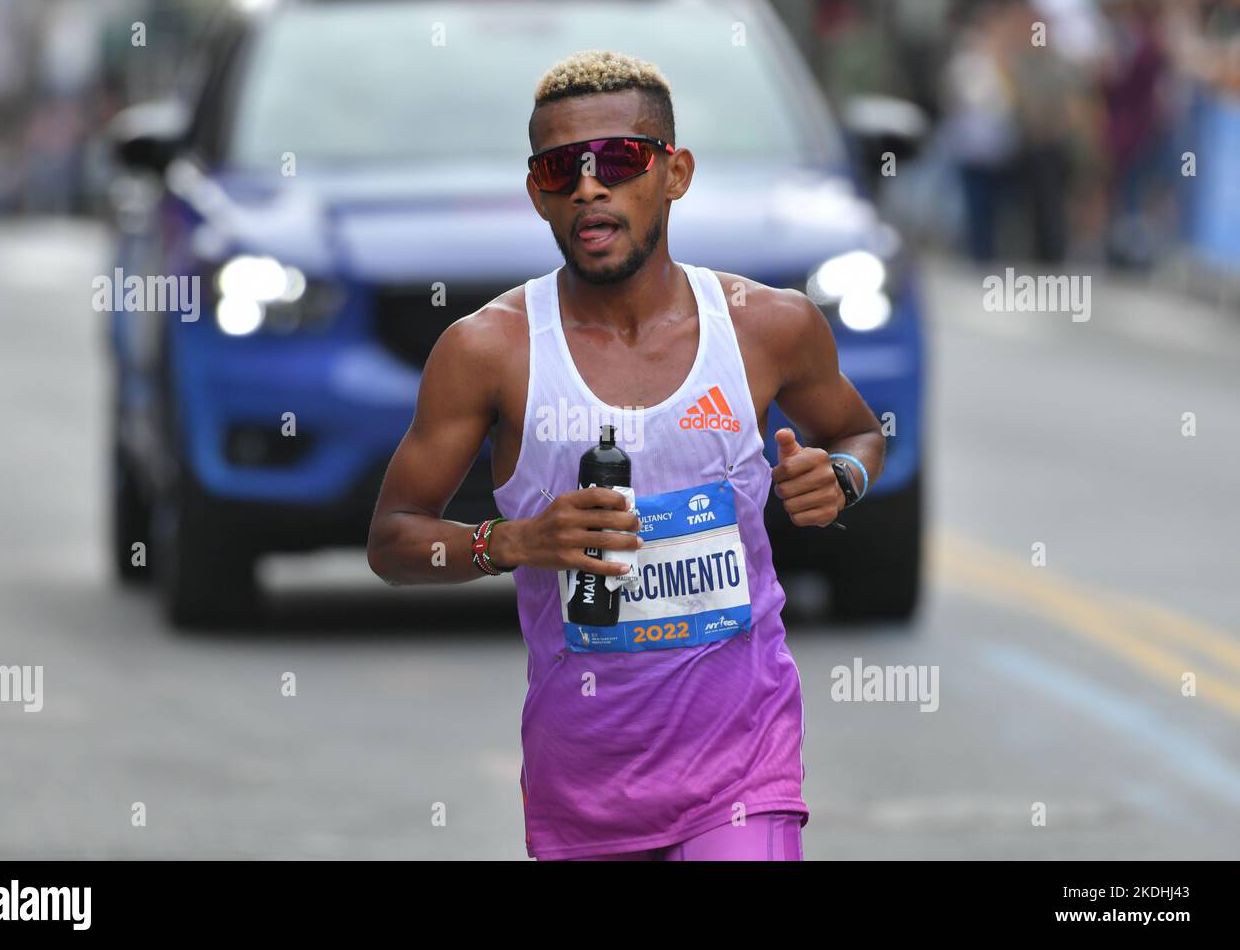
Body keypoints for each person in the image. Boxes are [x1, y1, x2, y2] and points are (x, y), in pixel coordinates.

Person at [367, 50, 885, 861]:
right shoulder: (487, 351)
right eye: (558, 168)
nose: (587, 185)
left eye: (618, 159)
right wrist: (509, 542)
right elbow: (393, 539)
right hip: (586, 785)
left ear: (674, 172)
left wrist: (844, 477)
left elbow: (859, 431)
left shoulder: (768, 327)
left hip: (743, 772)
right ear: (536, 191)